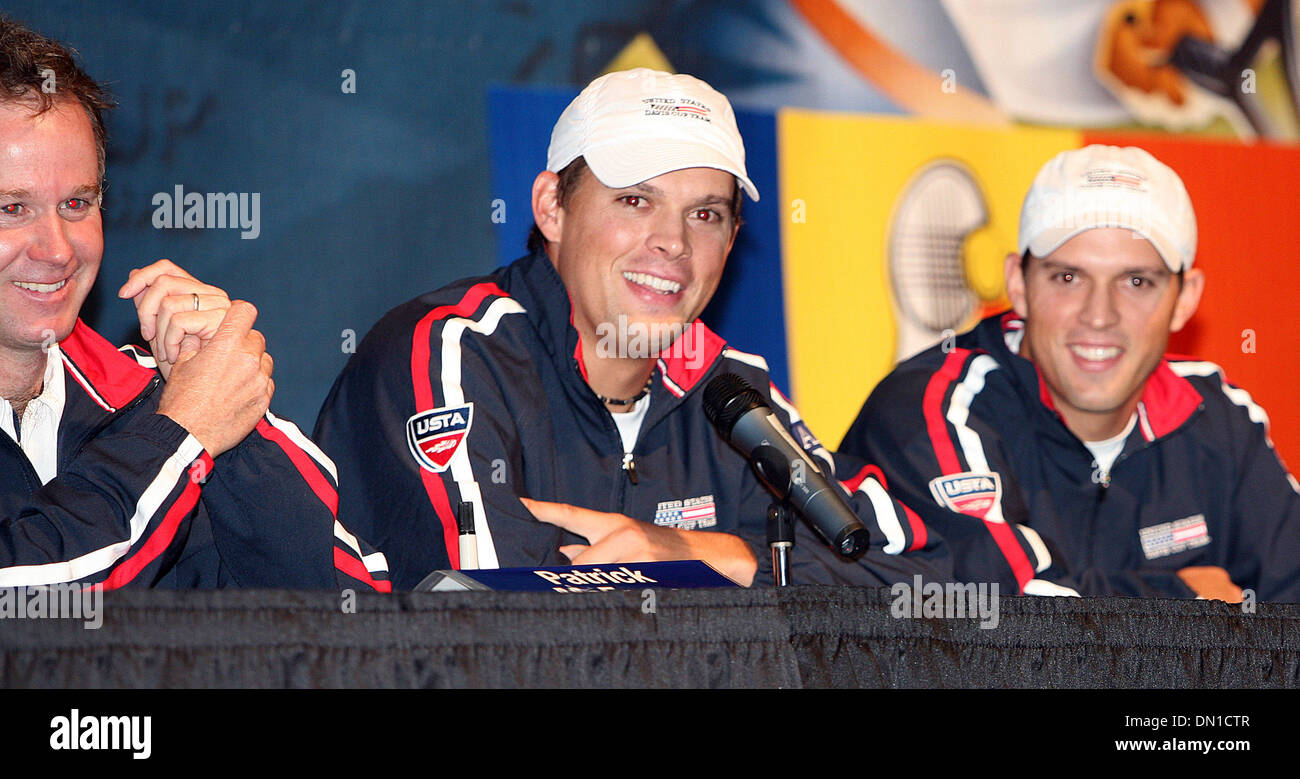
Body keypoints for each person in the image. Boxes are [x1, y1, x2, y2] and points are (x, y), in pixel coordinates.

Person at [315, 68, 944, 589]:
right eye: (635, 201)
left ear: (731, 242)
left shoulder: (732, 391)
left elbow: (916, 578)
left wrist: (701, 552)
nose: (673, 242)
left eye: (705, 213)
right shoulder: (448, 353)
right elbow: (484, 605)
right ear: (551, 208)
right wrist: (733, 574)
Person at [0, 16, 389, 591]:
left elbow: (349, 599)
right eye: (13, 208)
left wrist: (229, 424)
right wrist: (179, 437)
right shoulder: (172, 424)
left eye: (77, 204)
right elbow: (24, 598)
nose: (57, 250)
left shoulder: (150, 395)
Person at [841, 144, 1300, 601]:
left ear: (1185, 299)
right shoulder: (930, 409)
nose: (1099, 315)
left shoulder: (1216, 417)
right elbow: (996, 622)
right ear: (1018, 284)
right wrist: (1188, 602)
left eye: (1136, 281)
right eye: (1068, 278)